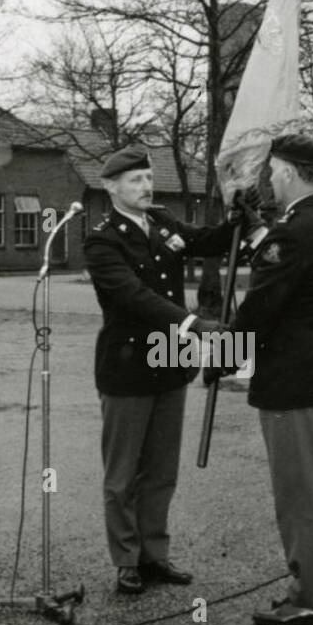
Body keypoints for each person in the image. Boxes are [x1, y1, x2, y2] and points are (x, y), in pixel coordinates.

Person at [83, 144, 257, 595]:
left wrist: (237, 219)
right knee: (123, 473)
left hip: (170, 355)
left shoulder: (162, 221)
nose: (145, 187)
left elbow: (208, 241)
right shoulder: (102, 238)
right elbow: (132, 295)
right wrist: (192, 322)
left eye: (147, 178)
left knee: (162, 468)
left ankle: (154, 554)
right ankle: (126, 559)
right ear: (111, 187)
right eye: (135, 180)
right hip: (129, 360)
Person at [228, 134, 313, 625]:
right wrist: (260, 230)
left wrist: (220, 354)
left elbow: (261, 309)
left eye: (275, 171)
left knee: (299, 495)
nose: (270, 179)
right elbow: (293, 269)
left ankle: (309, 597)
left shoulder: (293, 235)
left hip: (293, 384)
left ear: (291, 173)